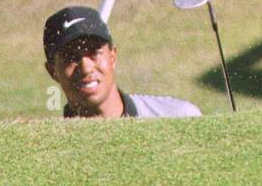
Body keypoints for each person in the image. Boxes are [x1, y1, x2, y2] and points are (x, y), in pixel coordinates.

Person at [43, 6, 201, 118]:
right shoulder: (50, 153)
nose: (86, 68)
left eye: (94, 53)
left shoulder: (180, 116)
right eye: (71, 58)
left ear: (113, 57)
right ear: (52, 71)